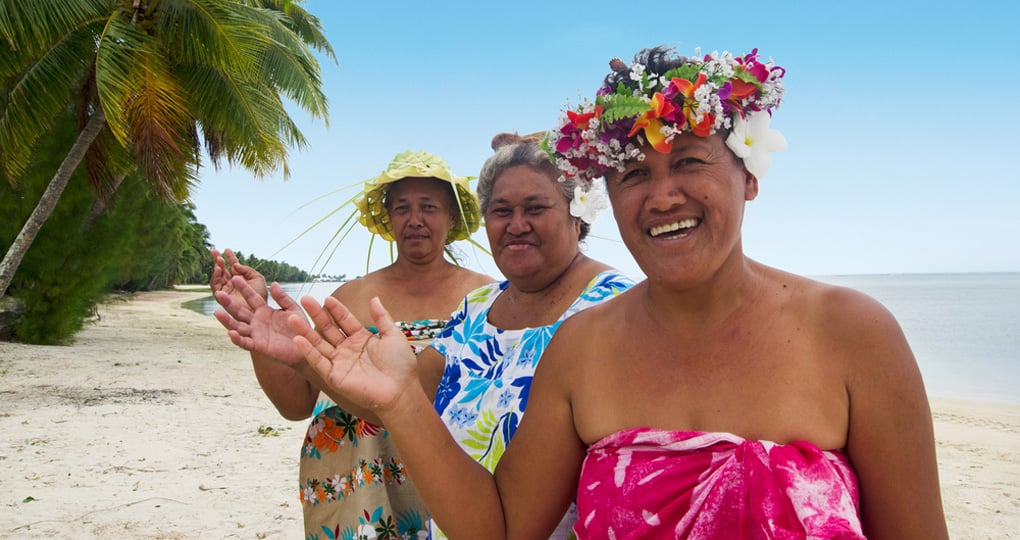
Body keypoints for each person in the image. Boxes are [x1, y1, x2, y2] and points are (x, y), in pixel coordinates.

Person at [291, 45, 949, 539]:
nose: (662, 196)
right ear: (607, 193)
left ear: (748, 175)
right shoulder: (583, 348)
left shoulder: (851, 334)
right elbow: (501, 529)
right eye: (633, 173)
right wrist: (403, 401)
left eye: (689, 160)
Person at [219, 136, 635, 539]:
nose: (516, 224)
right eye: (501, 210)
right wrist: (300, 358)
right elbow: (404, 402)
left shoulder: (614, 308)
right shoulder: (478, 307)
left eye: (536, 207)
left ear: (578, 212)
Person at [210, 150, 494, 539]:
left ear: (452, 217)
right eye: (402, 208)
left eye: (428, 206)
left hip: (454, 476)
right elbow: (296, 404)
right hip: (357, 486)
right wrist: (258, 330)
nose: (414, 219)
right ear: (389, 217)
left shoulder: (484, 297)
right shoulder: (351, 297)